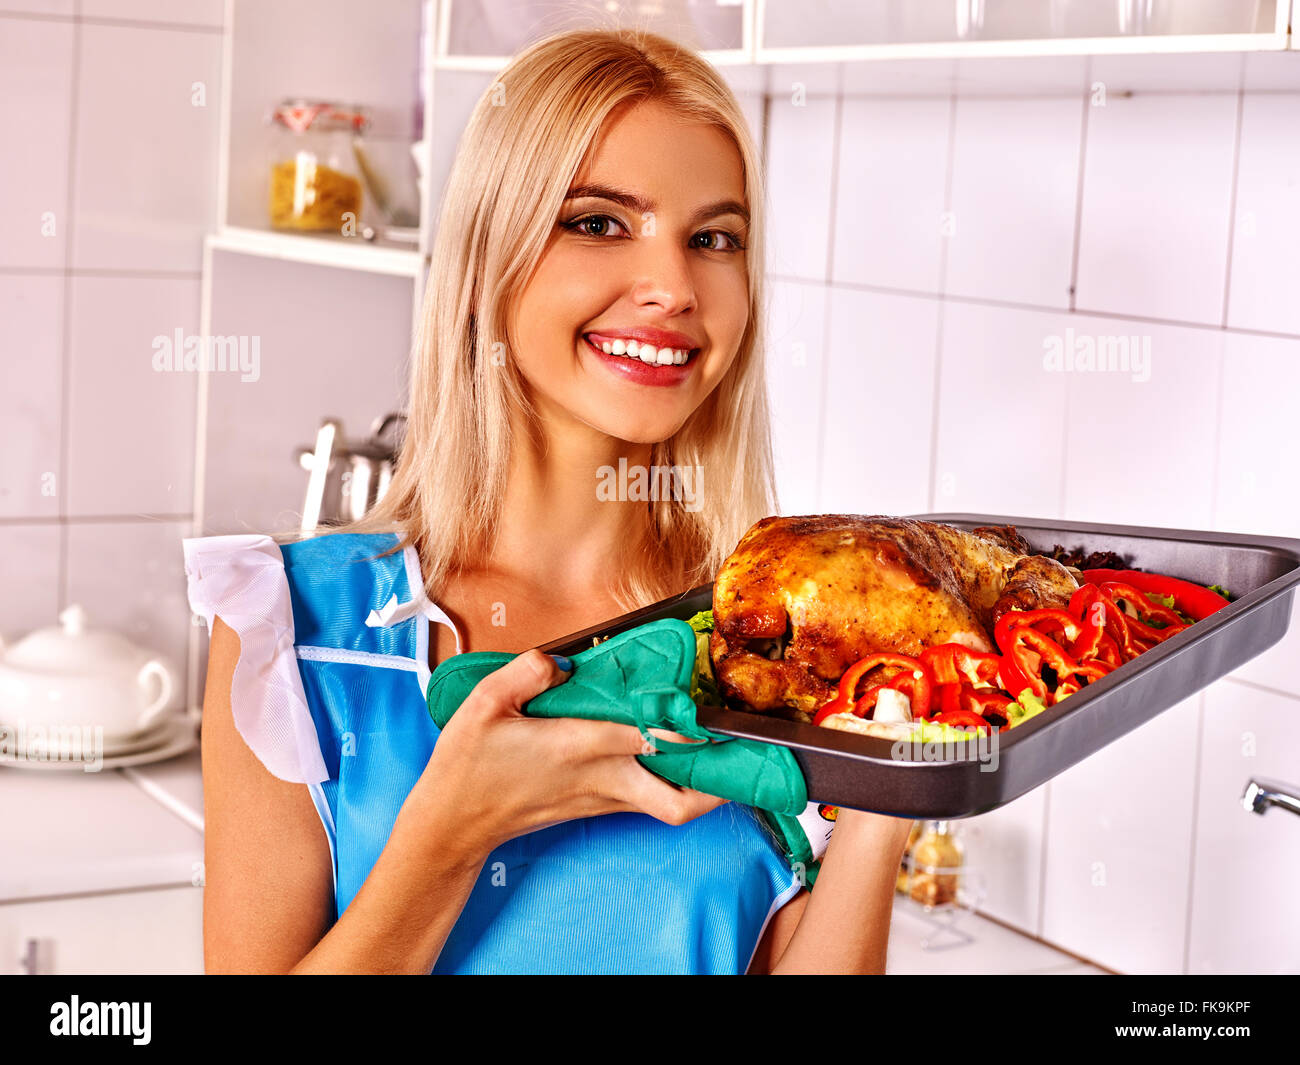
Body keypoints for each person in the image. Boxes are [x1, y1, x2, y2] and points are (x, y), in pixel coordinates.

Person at [187, 26, 913, 975]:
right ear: (491, 260)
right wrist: (452, 832)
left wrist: (890, 811)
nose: (672, 287)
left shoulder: (761, 652)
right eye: (601, 222)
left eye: (714, 239)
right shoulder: (296, 630)